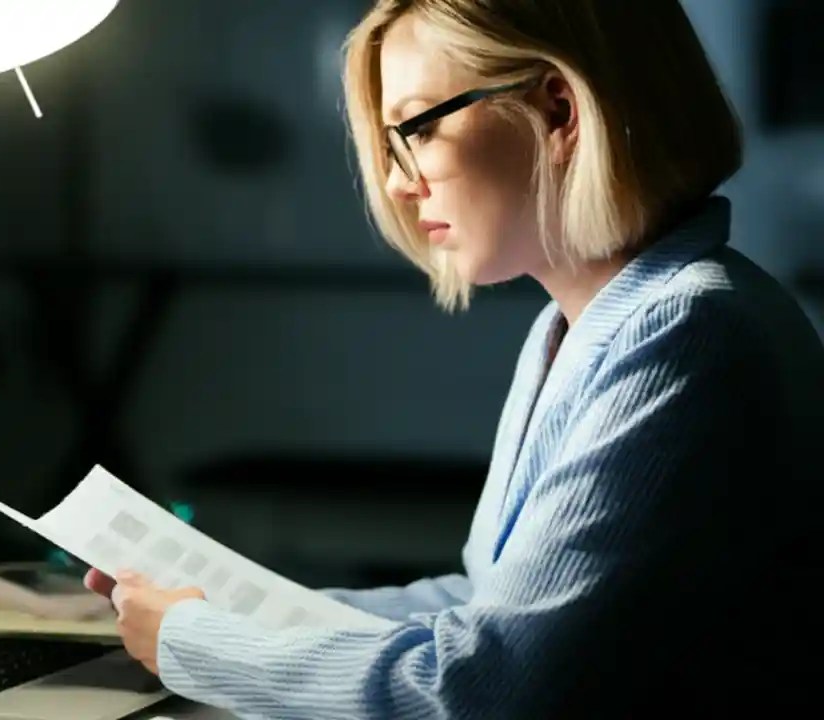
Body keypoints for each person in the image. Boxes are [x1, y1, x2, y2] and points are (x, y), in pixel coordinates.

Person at [85, 0, 824, 716]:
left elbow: (485, 689)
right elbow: (486, 605)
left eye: (418, 130)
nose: (403, 184)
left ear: (559, 110)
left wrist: (197, 644)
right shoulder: (576, 327)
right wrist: (227, 610)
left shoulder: (688, 330)